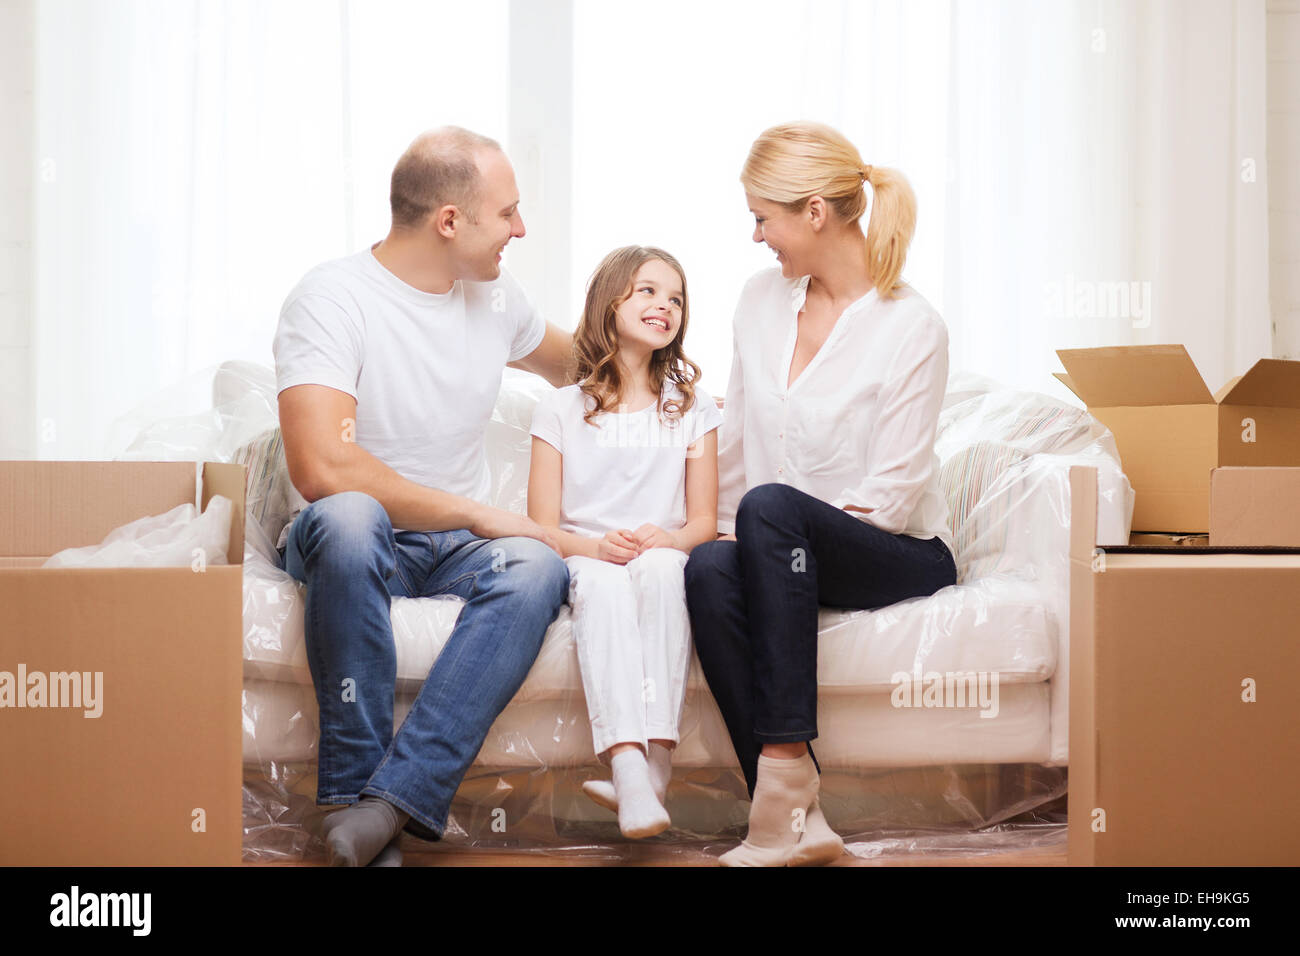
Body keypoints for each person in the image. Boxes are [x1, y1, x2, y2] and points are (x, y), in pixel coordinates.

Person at [273, 126, 575, 867]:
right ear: (450, 221)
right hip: (356, 539)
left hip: (449, 553)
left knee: (537, 567)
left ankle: (388, 805)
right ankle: (351, 796)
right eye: (507, 213)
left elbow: (584, 368)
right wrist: (477, 511)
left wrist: (688, 398)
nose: (521, 228)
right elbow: (321, 467)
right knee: (349, 519)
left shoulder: (495, 297)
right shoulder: (333, 297)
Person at [683, 121, 958, 867]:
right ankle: (798, 818)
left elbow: (891, 496)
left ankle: (777, 806)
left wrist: (771, 537)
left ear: (813, 211)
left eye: (762, 218)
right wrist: (719, 533)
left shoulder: (912, 327)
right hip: (784, 542)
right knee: (707, 568)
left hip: (893, 550)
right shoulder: (759, 300)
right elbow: (735, 437)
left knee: (770, 509)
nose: (755, 237)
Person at [527, 246, 722, 839]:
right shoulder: (560, 409)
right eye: (647, 291)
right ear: (609, 301)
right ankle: (628, 765)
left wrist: (669, 537)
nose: (664, 305)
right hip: (591, 559)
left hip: (661, 553)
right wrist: (594, 550)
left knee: (664, 571)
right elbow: (540, 530)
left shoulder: (694, 409)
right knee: (609, 586)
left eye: (676, 298)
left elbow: (704, 524)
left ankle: (654, 769)